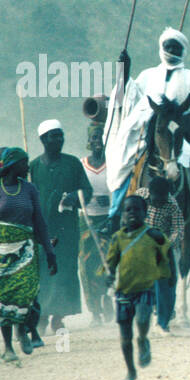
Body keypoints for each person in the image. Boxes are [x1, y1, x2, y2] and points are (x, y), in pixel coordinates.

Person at [105, 28, 190, 234]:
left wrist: (181, 123)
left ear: (182, 50)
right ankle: (113, 215)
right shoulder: (147, 75)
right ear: (161, 48)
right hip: (150, 134)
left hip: (185, 136)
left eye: (175, 47)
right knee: (124, 166)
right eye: (168, 46)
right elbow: (127, 97)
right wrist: (123, 73)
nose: (171, 50)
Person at [0, 148, 57, 364]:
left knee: (27, 296)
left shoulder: (30, 190)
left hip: (27, 252)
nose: (28, 167)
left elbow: (40, 223)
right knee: (3, 300)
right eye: (24, 163)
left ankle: (23, 331)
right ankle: (8, 347)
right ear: (12, 165)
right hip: (1, 255)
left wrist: (49, 251)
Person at [104, 195, 171, 380]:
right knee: (125, 336)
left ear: (145, 212)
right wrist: (108, 275)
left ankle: (142, 339)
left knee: (142, 320)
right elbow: (111, 263)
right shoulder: (117, 238)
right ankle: (131, 372)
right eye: (128, 210)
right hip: (123, 291)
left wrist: (167, 274)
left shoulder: (153, 235)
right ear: (122, 214)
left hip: (144, 289)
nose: (132, 213)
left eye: (136, 209)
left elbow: (165, 253)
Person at [29, 120, 88, 334]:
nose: (59, 139)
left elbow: (86, 192)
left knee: (64, 272)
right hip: (42, 231)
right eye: (54, 136)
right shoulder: (33, 167)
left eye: (61, 135)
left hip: (67, 231)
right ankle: (42, 316)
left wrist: (75, 197)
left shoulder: (73, 164)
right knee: (43, 273)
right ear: (43, 139)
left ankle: (58, 317)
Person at [131, 177, 184, 335]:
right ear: (150, 193)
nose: (160, 202)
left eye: (163, 199)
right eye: (157, 199)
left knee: (166, 284)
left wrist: (167, 243)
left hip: (162, 246)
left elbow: (178, 230)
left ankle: (163, 322)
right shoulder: (139, 196)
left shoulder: (172, 205)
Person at [79, 119, 113, 325]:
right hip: (87, 219)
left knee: (109, 262)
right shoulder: (82, 165)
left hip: (109, 218)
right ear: (89, 142)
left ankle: (108, 297)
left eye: (101, 137)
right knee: (87, 264)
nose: (97, 142)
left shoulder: (114, 163)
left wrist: (109, 199)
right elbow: (76, 189)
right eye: (94, 138)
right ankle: (94, 311)